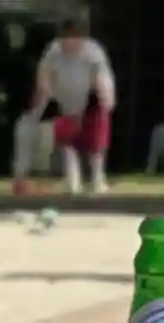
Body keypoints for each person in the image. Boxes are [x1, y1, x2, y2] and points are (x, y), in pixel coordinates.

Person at [30, 18, 116, 195]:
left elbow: (100, 80)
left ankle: (98, 180)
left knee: (95, 145)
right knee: (67, 143)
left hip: (93, 101)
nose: (69, 43)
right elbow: (44, 75)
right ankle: (72, 181)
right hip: (66, 103)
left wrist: (103, 101)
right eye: (66, 39)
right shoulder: (54, 51)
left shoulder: (93, 51)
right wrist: (43, 100)